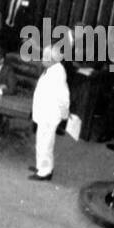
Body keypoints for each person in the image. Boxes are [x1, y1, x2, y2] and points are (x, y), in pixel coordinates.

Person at [29, 48, 70, 181]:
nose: (42, 59)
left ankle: (45, 171)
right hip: (44, 113)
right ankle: (41, 166)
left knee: (45, 143)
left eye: (44, 57)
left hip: (50, 114)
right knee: (41, 141)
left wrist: (64, 114)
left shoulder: (58, 73)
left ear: (52, 59)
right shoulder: (51, 69)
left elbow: (64, 97)